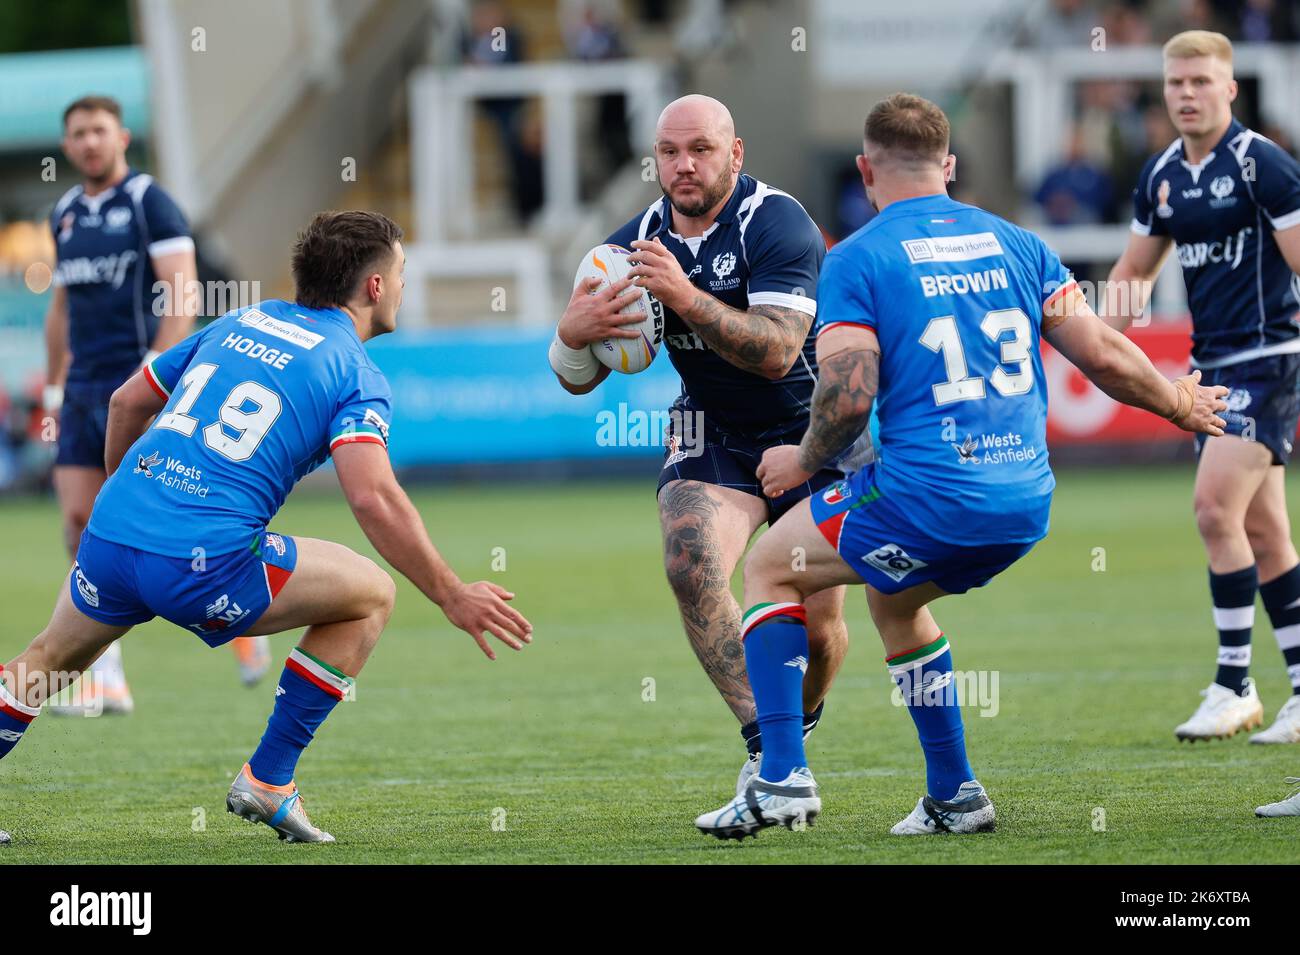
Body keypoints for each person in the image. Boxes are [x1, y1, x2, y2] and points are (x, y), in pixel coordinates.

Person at [692, 93, 1227, 839]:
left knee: (769, 568)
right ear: (948, 165)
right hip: (1024, 502)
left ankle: (779, 780)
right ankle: (955, 794)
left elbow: (848, 398)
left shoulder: (856, 258)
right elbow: (1102, 352)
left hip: (927, 496)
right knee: (895, 597)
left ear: (864, 170)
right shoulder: (1019, 243)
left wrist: (800, 457)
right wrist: (1176, 402)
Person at [0, 211, 532, 843]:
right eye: (402, 273)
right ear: (376, 288)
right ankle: (269, 778)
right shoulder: (356, 374)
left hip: (113, 536)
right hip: (202, 564)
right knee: (370, 596)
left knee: (44, 662)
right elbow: (372, 498)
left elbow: (125, 402)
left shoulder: (243, 319)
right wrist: (449, 592)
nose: (402, 286)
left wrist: (125, 494)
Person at [549, 95, 869, 793]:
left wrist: (686, 296)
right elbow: (581, 377)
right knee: (690, 559)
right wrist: (573, 339)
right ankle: (768, 746)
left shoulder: (777, 222)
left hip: (812, 435)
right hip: (712, 429)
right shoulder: (627, 246)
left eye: (700, 149)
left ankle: (799, 719)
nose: (684, 165)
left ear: (736, 153)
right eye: (669, 152)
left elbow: (781, 351)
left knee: (818, 634)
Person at [1101, 31, 1300, 745]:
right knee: (1264, 530)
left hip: (1269, 358)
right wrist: (1090, 339)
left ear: (1229, 88)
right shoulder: (1160, 174)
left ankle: (1233, 682)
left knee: (1214, 509)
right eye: (1175, 83)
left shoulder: (1262, 165)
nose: (1186, 94)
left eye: (1200, 82)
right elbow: (1132, 277)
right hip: (1210, 371)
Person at [44, 94, 269, 713]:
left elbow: (182, 293)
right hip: (84, 390)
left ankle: (239, 631)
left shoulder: (149, 202)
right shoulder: (63, 213)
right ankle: (107, 673)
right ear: (67, 146)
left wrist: (161, 382)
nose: (89, 142)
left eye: (99, 130)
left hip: (137, 390)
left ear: (121, 137)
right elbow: (61, 308)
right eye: (79, 134)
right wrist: (54, 381)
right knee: (79, 526)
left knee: (161, 527)